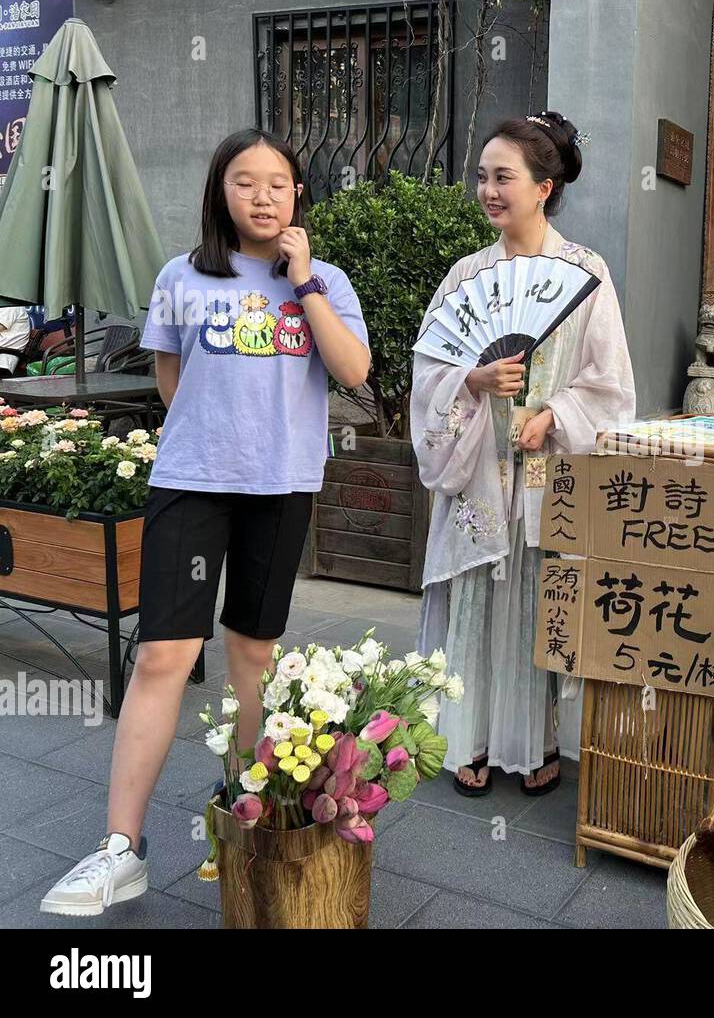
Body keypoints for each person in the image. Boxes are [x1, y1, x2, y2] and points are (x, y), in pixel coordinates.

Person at [40, 129, 370, 915]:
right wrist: (219, 440)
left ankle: (243, 808)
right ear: (220, 192)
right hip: (195, 484)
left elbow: (353, 372)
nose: (263, 196)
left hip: (283, 486)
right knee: (163, 655)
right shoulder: (182, 277)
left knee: (255, 650)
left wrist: (306, 284)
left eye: (279, 183)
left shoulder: (325, 280)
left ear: (298, 197)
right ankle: (120, 849)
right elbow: (171, 382)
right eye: (245, 182)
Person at [411, 110, 635, 797]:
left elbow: (610, 385)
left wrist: (554, 414)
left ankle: (536, 740)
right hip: (479, 467)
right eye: (481, 177)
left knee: (542, 598)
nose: (487, 190)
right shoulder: (464, 276)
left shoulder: (585, 273)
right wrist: (473, 382)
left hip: (545, 469)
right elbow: (428, 372)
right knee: (477, 598)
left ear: (544, 186)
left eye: (502, 177)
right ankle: (467, 737)